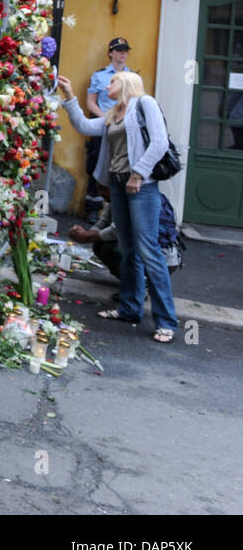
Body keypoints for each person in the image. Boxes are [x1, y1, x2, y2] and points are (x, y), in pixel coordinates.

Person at [57, 70, 178, 343]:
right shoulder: (114, 114)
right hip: (119, 185)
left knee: (149, 250)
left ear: (125, 84)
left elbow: (159, 143)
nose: (107, 85)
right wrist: (70, 97)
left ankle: (167, 321)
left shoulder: (145, 103)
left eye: (113, 81)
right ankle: (129, 309)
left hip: (141, 186)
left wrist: (139, 174)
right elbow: (85, 127)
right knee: (129, 249)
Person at [84, 38, 133, 199]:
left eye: (125, 50)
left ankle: (115, 205)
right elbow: (91, 102)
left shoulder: (131, 77)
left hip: (123, 127)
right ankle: (93, 202)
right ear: (111, 53)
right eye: (119, 50)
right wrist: (105, 118)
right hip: (103, 123)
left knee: (121, 164)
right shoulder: (99, 75)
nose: (123, 54)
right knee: (97, 161)